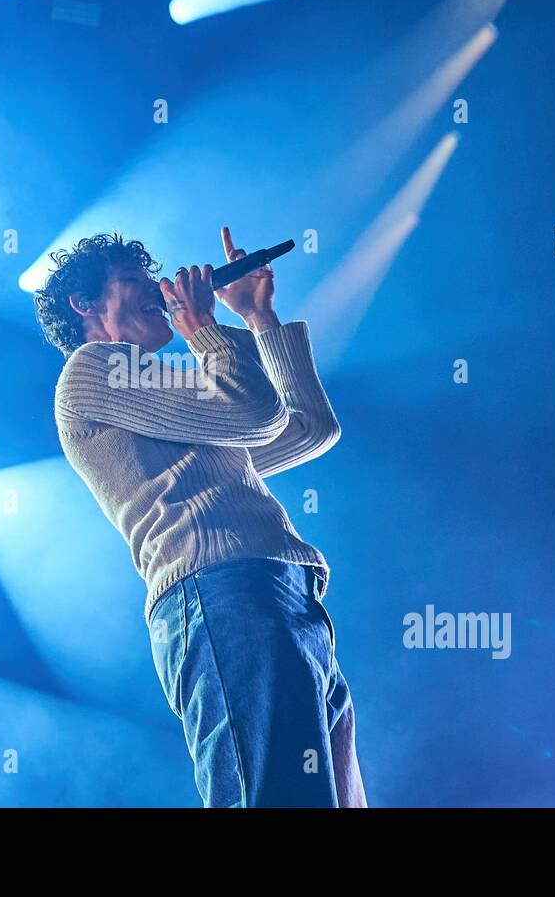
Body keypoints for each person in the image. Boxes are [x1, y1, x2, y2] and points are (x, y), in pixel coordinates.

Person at [34, 226, 366, 807]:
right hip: (220, 591)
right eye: (133, 281)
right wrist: (204, 327)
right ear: (84, 304)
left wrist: (259, 319)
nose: (159, 289)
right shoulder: (94, 371)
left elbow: (309, 428)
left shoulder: (173, 398)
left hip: (278, 591)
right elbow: (253, 411)